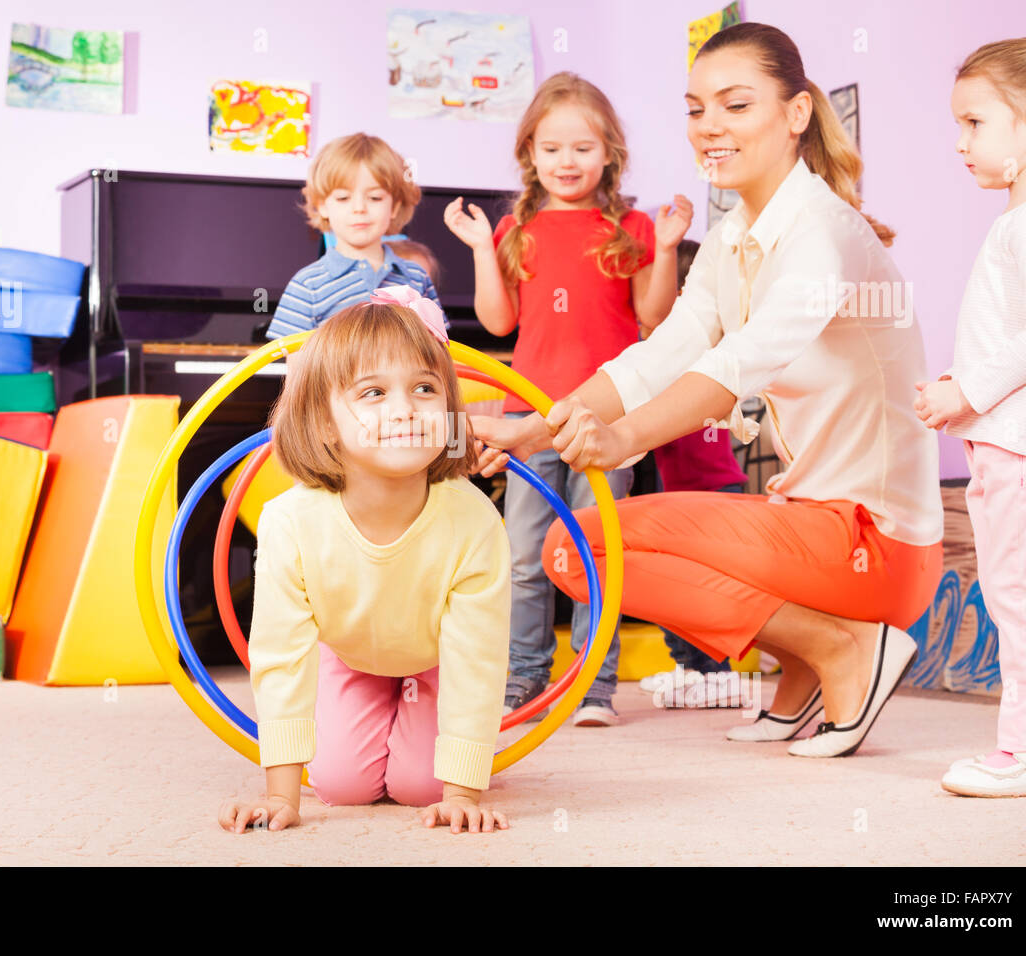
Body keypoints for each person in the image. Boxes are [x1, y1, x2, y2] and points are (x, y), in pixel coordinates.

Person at [471, 22, 944, 757]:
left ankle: (845, 647)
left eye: (735, 105)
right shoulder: (732, 237)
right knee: (575, 549)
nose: (709, 128)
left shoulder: (822, 231)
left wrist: (622, 438)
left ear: (794, 116)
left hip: (874, 544)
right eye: (695, 109)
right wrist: (535, 429)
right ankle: (804, 667)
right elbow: (662, 352)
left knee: (574, 551)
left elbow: (740, 364)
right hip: (815, 522)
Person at [444, 71, 692, 726]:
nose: (567, 162)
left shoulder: (631, 224)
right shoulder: (516, 228)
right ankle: (525, 679)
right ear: (530, 154)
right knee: (524, 554)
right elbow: (497, 322)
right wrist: (479, 249)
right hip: (529, 417)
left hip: (606, 418)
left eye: (582, 148)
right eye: (551, 149)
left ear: (608, 152)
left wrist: (664, 251)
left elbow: (653, 313)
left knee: (597, 550)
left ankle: (593, 686)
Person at [219, 293, 512, 833]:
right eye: (373, 393)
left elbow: (478, 656)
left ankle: (426, 734)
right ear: (325, 423)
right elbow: (281, 653)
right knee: (340, 787)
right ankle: (375, 712)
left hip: (433, 661)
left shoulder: (473, 519)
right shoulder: (292, 521)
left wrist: (463, 791)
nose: (404, 410)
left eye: (425, 389)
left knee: (421, 787)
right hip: (351, 655)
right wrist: (282, 795)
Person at [914, 35, 1026, 797]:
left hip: (1019, 446)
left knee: (1016, 593)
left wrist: (965, 392)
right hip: (1016, 441)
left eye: (975, 123)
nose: (960, 142)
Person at [635, 238, 752, 709]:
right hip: (683, 487)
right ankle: (690, 669)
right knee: (672, 586)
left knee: (699, 588)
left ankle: (715, 675)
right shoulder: (668, 352)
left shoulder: (706, 352)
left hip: (712, 488)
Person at [267, 133, 439, 342]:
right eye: (343, 198)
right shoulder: (306, 285)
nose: (359, 208)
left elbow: (439, 353)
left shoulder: (417, 277)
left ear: (394, 206)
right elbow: (297, 372)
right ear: (322, 206)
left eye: (375, 197)